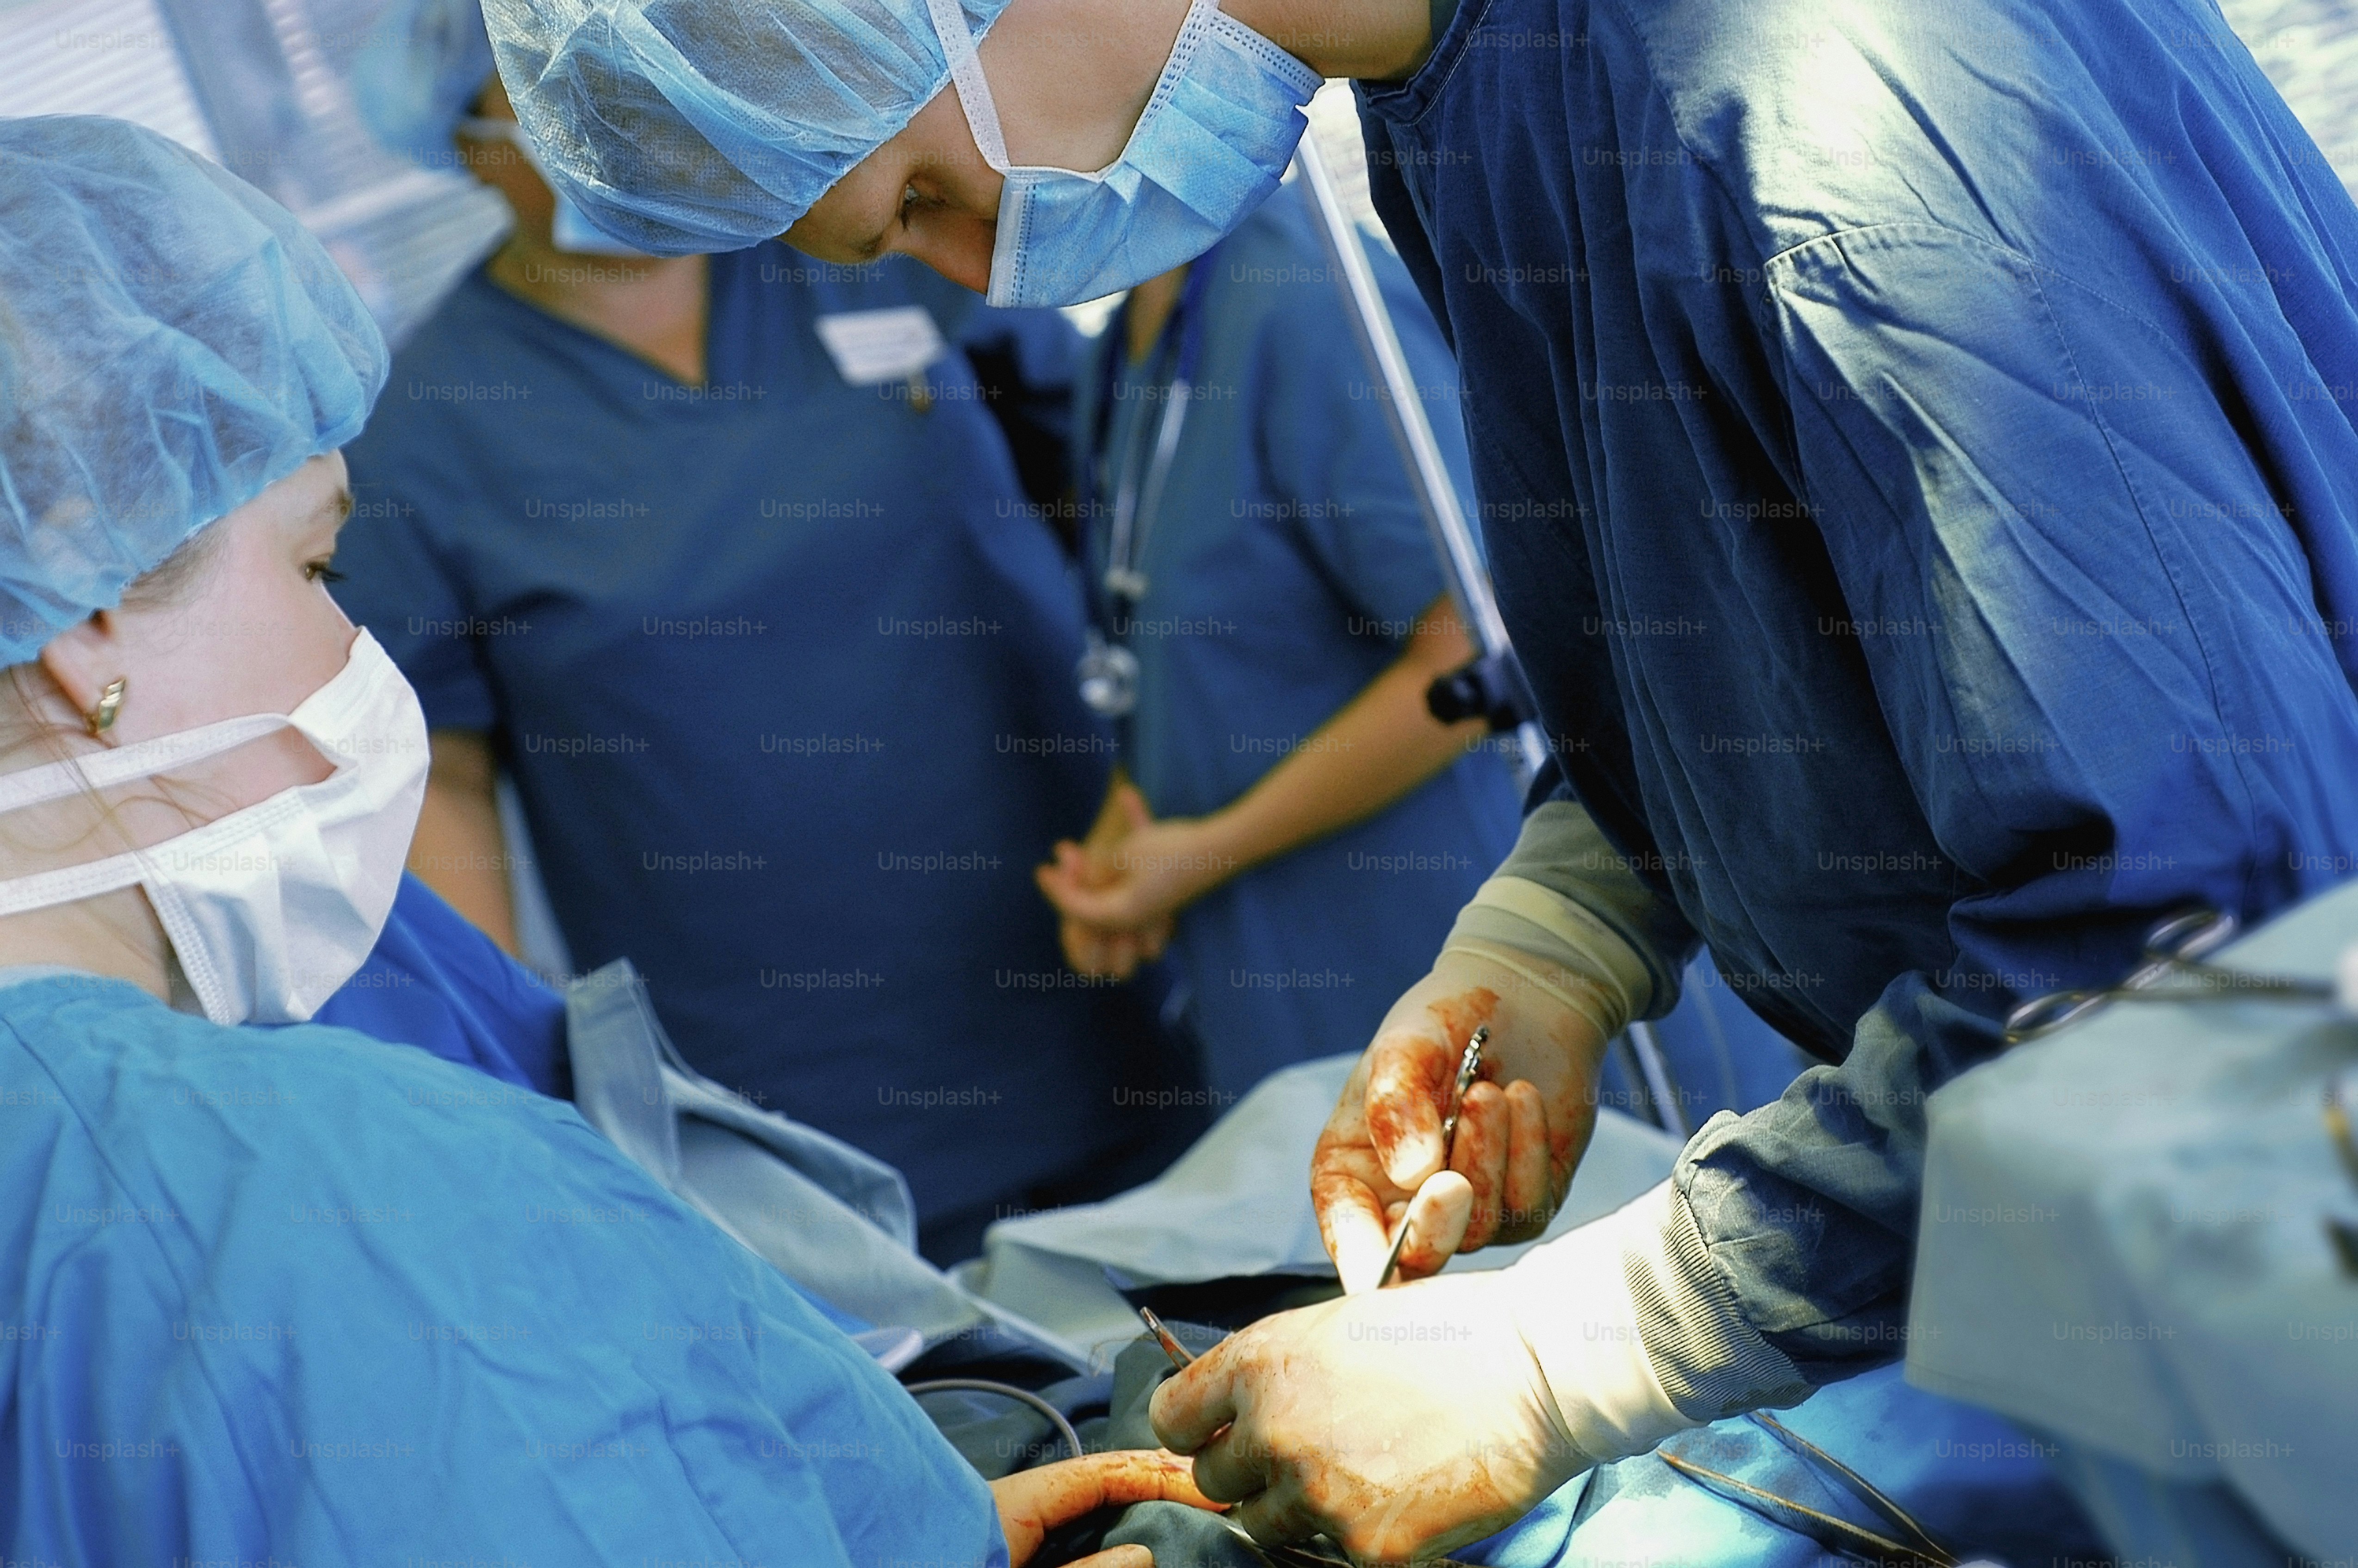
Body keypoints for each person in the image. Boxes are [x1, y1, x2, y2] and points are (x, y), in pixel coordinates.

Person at [480, 0, 2358, 1557]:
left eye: (917, 197)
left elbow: (2195, 958)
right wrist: (1559, 926)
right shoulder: (1474, 96)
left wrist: (1579, 1347)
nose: (986, 276)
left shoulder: (1816, 104)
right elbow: (1743, 604)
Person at [0, 110, 1211, 1568]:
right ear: (84, 614)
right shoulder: (349, 1182)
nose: (353, 650)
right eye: (318, 563)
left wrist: (906, 1523)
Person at [333, 0, 1201, 1265]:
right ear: (462, 141)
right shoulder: (427, 435)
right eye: (552, 100)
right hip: (794, 1070)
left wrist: (1196, 793)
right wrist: (521, 1094)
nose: (614, 131)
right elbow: (441, 786)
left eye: (636, 85)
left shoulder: (870, 227)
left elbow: (1125, 495)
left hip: (1104, 944)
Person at [1032, 180, 1520, 1095]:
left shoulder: (1303, 298)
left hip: (1446, 967)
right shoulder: (1131, 343)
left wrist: (1210, 848)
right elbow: (1189, 644)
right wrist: (1131, 824)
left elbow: (1476, 650)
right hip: (1280, 985)